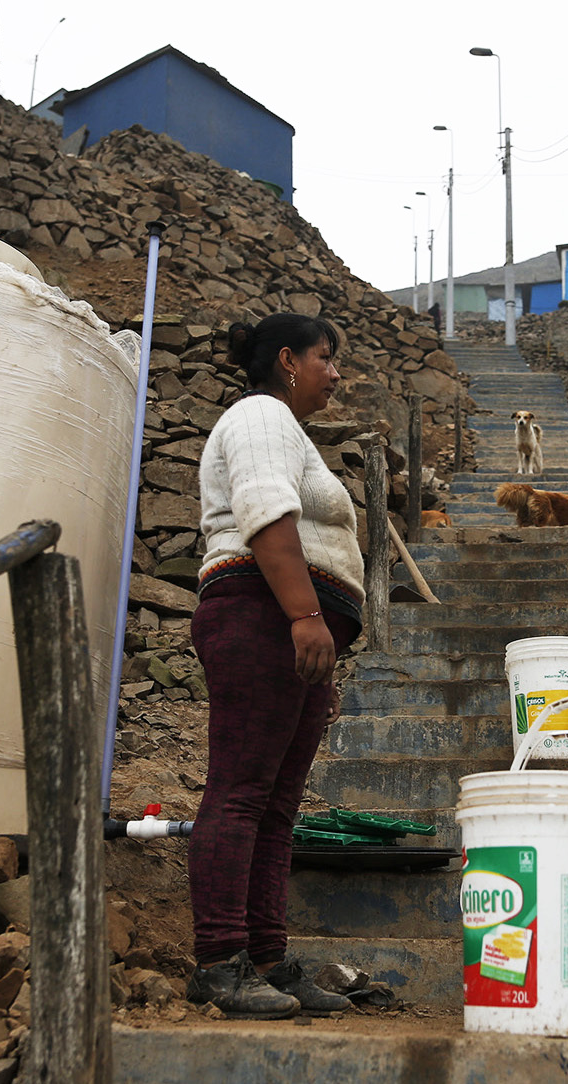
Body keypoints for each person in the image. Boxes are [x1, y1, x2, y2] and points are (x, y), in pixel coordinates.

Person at [186, 313, 363, 1019]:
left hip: (286, 624)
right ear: (287, 360)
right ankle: (219, 961)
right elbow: (264, 513)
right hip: (260, 613)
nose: (337, 372)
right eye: (328, 356)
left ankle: (265, 960)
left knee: (277, 804)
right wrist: (302, 613)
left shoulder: (286, 429)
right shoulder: (261, 415)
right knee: (242, 791)